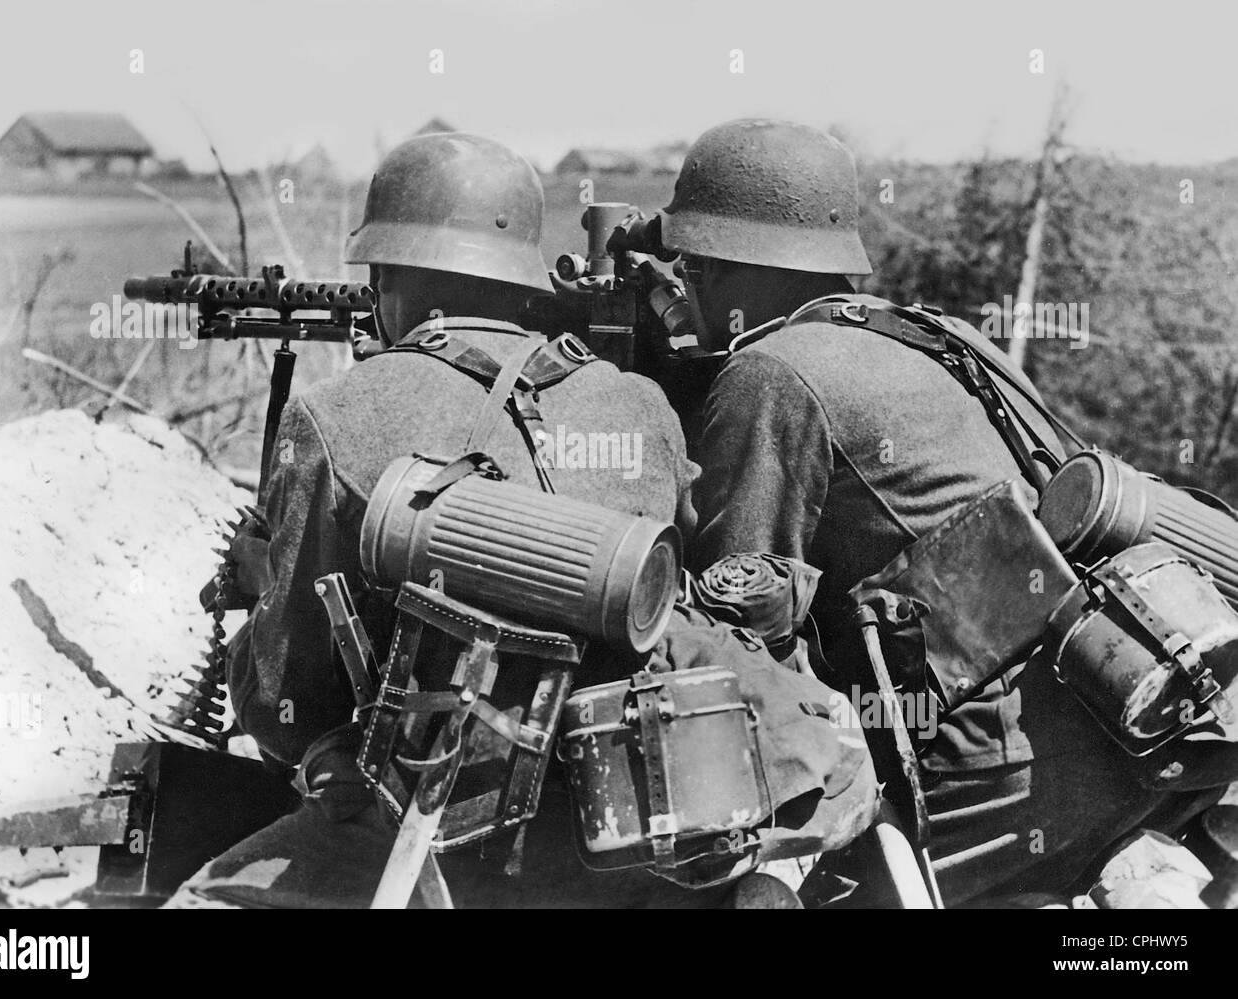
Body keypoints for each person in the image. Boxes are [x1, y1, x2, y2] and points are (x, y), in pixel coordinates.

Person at [166, 130, 874, 908]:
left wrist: (260, 598)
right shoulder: (641, 407)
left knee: (199, 895)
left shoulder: (336, 416)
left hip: (426, 845)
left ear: (391, 275)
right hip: (625, 840)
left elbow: (282, 705)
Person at [668, 117, 1232, 906]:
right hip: (1135, 729)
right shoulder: (946, 335)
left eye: (692, 260)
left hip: (997, 779)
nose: (682, 282)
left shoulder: (770, 374)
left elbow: (736, 643)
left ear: (737, 262)